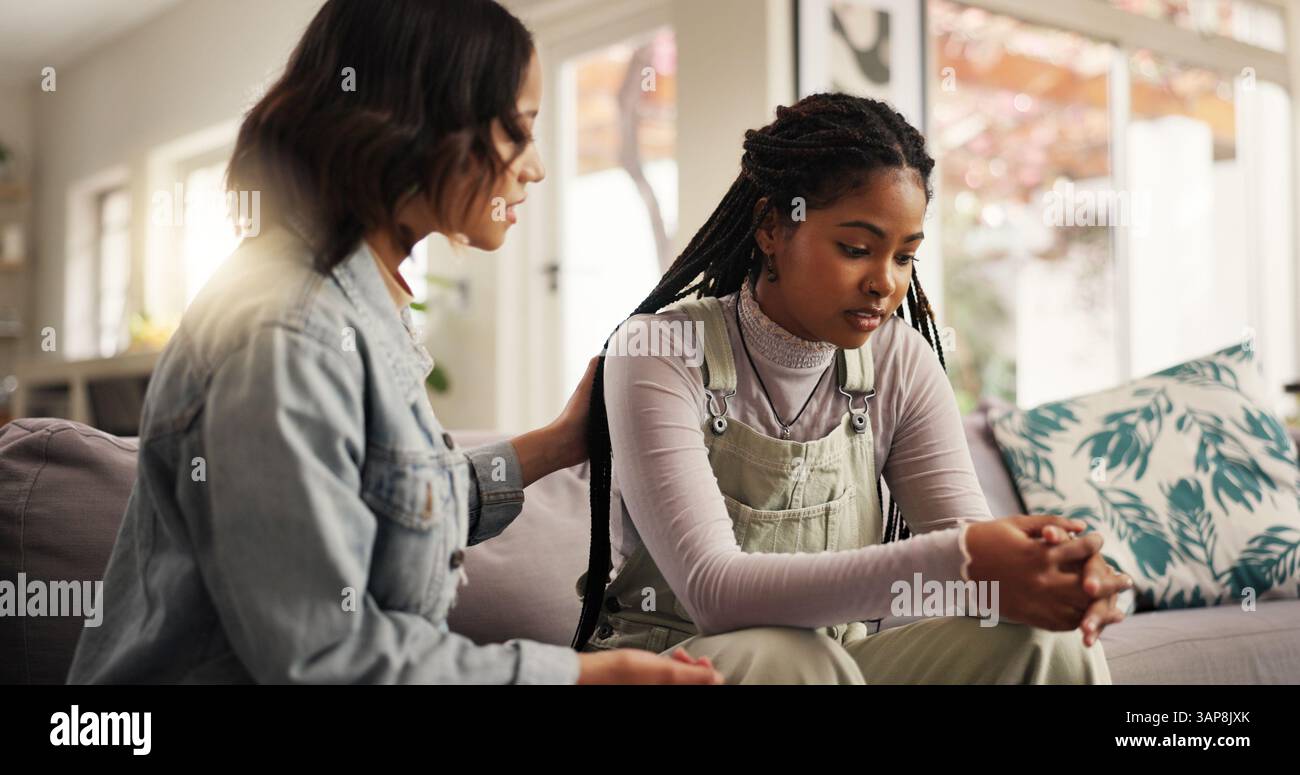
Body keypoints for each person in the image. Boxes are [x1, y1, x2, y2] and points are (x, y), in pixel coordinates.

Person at [68, 0, 720, 685]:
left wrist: (556, 443)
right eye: (519, 130)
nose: (536, 167)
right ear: (424, 123)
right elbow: (324, 658)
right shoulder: (287, 336)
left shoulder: (353, 303)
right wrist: (585, 677)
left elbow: (394, 504)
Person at [573, 92, 1133, 684]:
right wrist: (964, 559)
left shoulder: (900, 361)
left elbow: (970, 561)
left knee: (1051, 642)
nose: (884, 283)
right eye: (856, 249)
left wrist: (1050, 581)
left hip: (836, 668)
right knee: (787, 656)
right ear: (771, 226)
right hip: (675, 667)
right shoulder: (656, 351)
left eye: (905, 257)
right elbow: (715, 591)